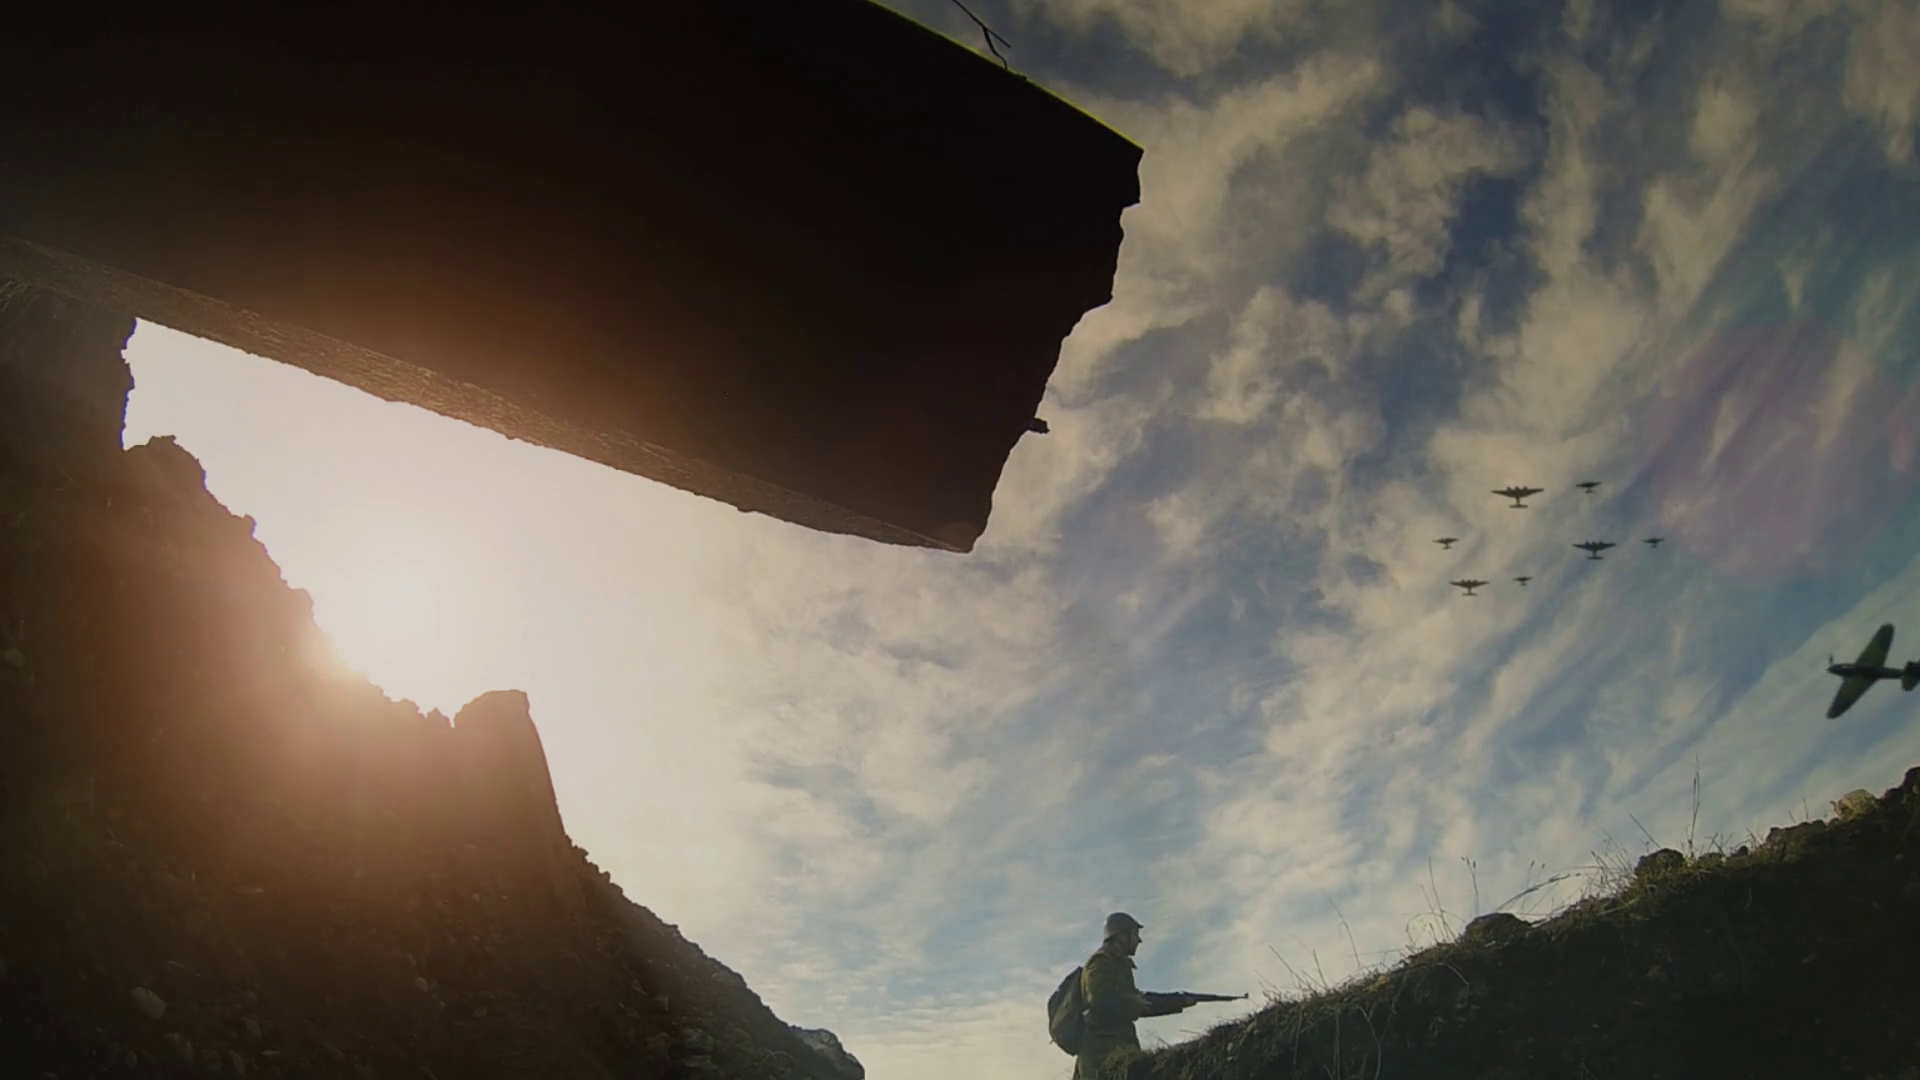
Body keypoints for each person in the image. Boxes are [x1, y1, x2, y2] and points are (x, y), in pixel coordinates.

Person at [1075, 912, 1194, 1079]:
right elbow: (1100, 998)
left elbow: (1139, 1003)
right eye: (1135, 934)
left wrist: (1179, 1002)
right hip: (1101, 1056)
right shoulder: (1101, 961)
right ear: (1121, 936)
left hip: (1116, 1051)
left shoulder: (1119, 965)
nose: (1139, 940)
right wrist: (1133, 1003)